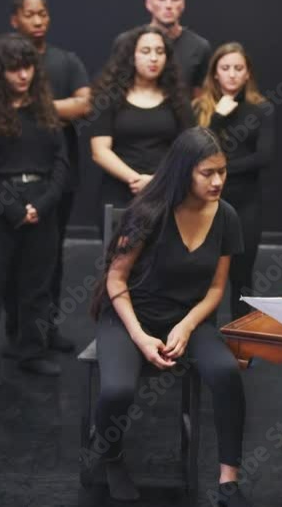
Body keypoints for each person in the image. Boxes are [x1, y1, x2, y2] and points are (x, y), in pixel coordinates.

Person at [87, 128, 252, 506]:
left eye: (222, 172)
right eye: (207, 173)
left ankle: (229, 480)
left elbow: (215, 289)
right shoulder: (149, 211)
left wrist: (188, 324)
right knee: (117, 390)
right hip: (130, 314)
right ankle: (110, 455)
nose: (217, 181)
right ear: (184, 172)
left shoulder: (226, 217)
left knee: (226, 373)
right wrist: (141, 336)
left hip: (187, 317)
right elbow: (115, 278)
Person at [0, 34, 68, 381]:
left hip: (41, 204)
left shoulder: (45, 109)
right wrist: (11, 208)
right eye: (14, 69)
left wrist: (43, 204)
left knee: (37, 287)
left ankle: (32, 352)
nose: (23, 75)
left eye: (28, 68)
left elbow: (61, 163)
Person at [9, 0, 90, 354]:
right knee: (14, 255)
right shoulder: (2, 59)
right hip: (11, 175)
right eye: (30, 14)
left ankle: (46, 328)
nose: (38, 20)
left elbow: (84, 104)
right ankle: (15, 332)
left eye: (43, 13)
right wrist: (57, 108)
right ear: (15, 20)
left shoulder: (66, 61)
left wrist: (30, 107)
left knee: (51, 256)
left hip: (59, 176)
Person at [193, 42, 275, 320]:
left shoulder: (261, 109)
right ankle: (202, 338)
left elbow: (263, 157)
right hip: (207, 204)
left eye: (238, 68)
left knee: (241, 275)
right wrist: (216, 118)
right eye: (225, 68)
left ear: (247, 73)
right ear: (215, 73)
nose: (231, 74)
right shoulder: (201, 108)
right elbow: (197, 152)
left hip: (246, 203)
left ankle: (241, 343)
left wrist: (218, 170)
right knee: (205, 275)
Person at [90, 24, 194, 231]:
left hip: (166, 190)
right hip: (119, 191)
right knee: (119, 260)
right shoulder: (108, 97)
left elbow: (188, 150)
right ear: (132, 56)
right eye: (145, 51)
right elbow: (99, 151)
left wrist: (157, 182)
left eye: (160, 51)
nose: (154, 58)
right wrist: (136, 179)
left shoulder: (179, 100)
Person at [112, 0, 211, 97]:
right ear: (149, 4)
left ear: (183, 4)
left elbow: (200, 102)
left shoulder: (199, 47)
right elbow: (115, 93)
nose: (168, 5)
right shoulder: (126, 43)